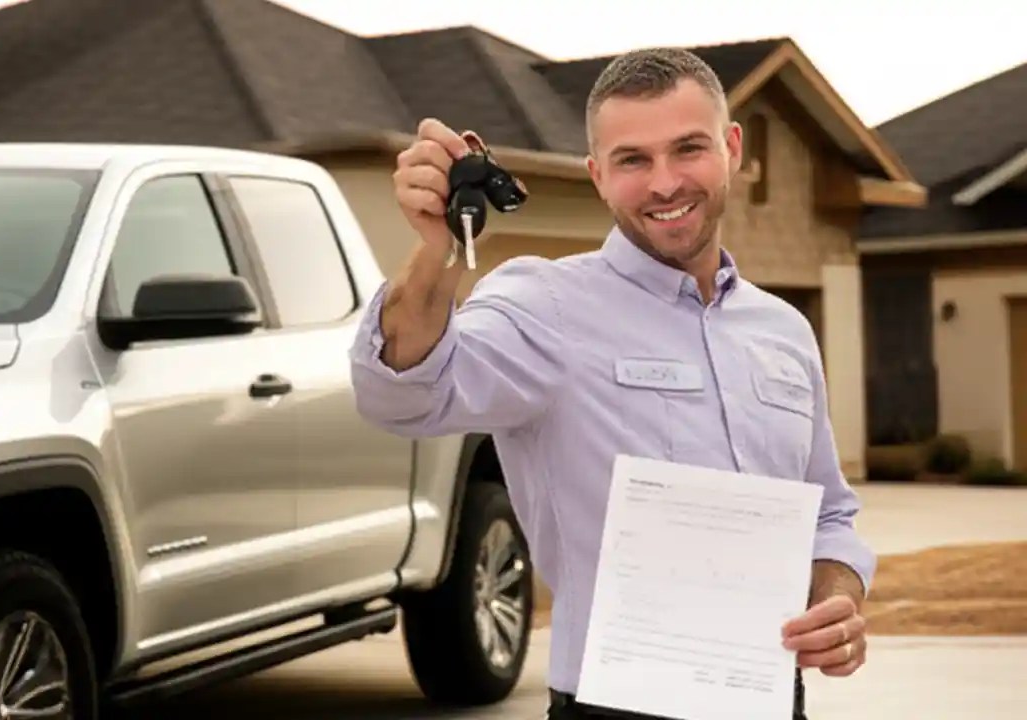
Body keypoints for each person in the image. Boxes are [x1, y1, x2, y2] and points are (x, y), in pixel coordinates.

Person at [348, 46, 876, 719]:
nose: (664, 183)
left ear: (732, 147)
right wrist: (439, 251)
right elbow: (400, 394)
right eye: (633, 160)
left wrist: (838, 599)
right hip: (613, 708)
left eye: (688, 149)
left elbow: (829, 513)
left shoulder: (784, 332)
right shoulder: (545, 306)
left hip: (773, 701)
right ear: (598, 175)